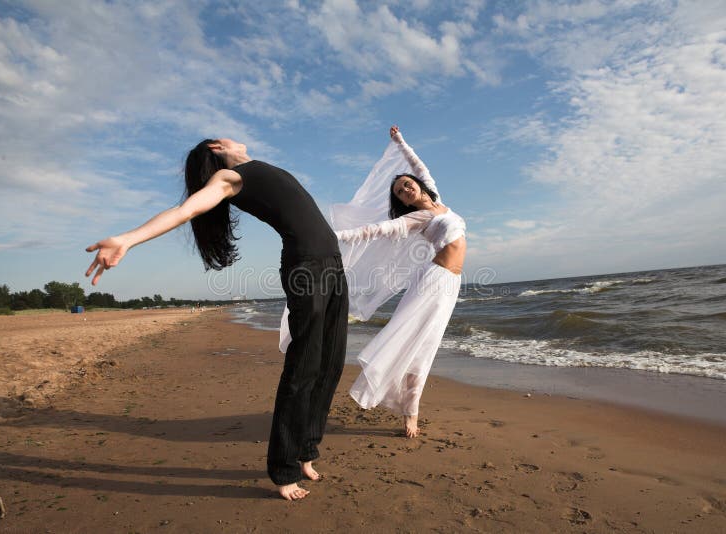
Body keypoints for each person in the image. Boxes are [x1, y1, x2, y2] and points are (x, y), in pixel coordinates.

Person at [85, 138, 348, 501]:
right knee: (304, 367)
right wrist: (128, 239)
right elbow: (184, 211)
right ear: (216, 147)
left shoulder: (258, 167)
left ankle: (306, 450)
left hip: (333, 265)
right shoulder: (229, 177)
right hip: (308, 269)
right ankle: (284, 469)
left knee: (330, 363)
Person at [332, 125, 466, 438]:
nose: (405, 190)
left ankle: (410, 408)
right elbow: (373, 231)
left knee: (426, 346)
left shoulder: (438, 201)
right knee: (419, 345)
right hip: (432, 283)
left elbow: (421, 167)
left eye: (407, 185)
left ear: (417, 185)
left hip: (450, 286)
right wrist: (335, 236)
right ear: (403, 202)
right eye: (400, 193)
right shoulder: (417, 218)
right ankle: (411, 414)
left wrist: (401, 142)